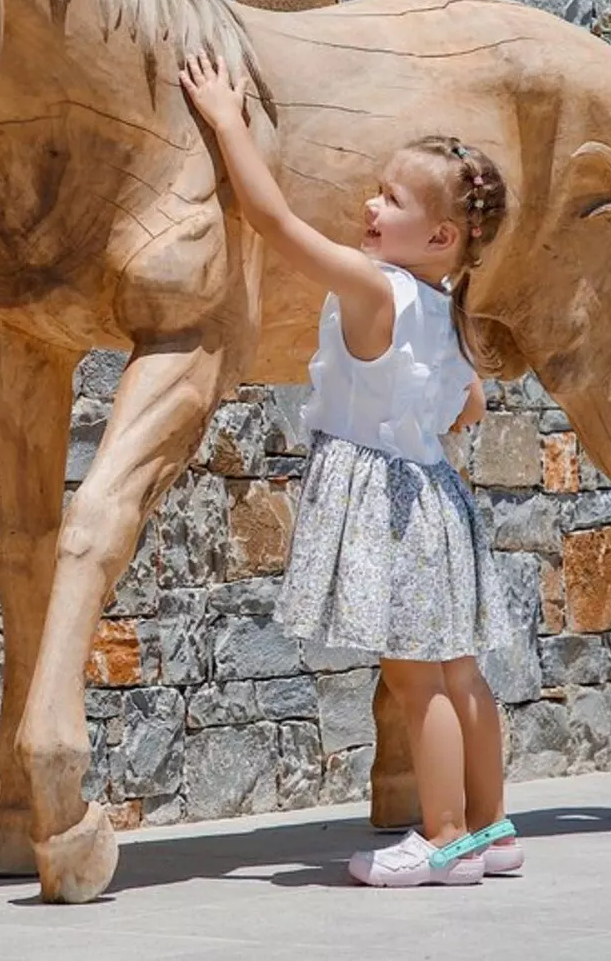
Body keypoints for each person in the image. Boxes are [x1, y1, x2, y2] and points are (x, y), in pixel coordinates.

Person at [180, 53, 522, 888]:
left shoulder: (377, 290)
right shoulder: (447, 306)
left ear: (442, 235)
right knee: (460, 670)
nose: (371, 205)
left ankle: (440, 838)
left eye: (392, 200)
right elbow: (468, 407)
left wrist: (226, 121)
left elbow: (275, 223)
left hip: (391, 502)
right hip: (439, 498)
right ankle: (490, 827)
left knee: (415, 679)